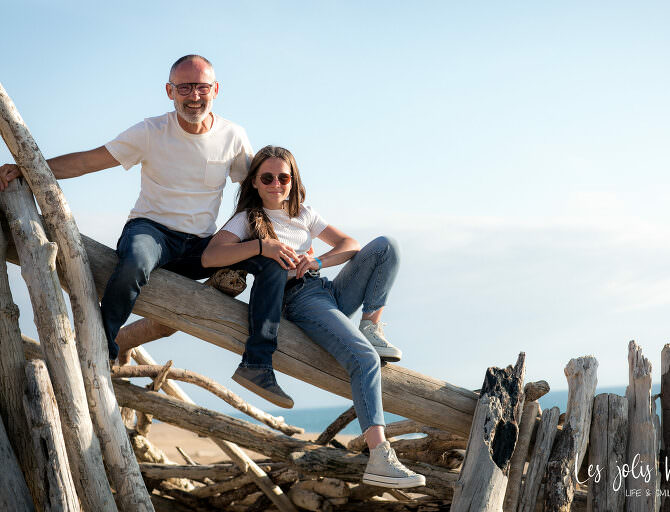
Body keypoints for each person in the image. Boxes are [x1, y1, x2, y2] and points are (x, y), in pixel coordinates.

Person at [0, 55, 281, 373]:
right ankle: (102, 348)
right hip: (152, 232)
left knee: (270, 260)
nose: (194, 96)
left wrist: (287, 235)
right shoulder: (150, 131)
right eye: (184, 87)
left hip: (202, 245)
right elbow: (88, 161)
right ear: (169, 91)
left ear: (215, 89)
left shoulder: (233, 135)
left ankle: (259, 362)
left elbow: (258, 190)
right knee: (134, 264)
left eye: (201, 87)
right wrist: (27, 169)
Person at [201, 145, 423, 488]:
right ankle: (380, 456)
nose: (277, 183)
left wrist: (318, 261)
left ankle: (371, 324)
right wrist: (263, 247)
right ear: (256, 183)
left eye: (283, 177)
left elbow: (350, 244)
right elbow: (211, 256)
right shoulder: (246, 219)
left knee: (386, 246)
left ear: (293, 180)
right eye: (268, 177)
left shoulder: (304, 213)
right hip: (299, 300)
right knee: (364, 358)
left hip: (325, 288)